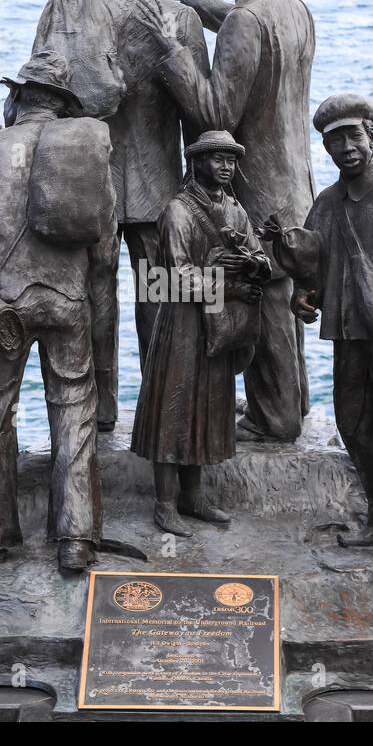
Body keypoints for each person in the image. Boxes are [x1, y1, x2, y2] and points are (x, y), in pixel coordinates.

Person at [136, 0, 314, 443]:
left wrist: (170, 51)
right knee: (283, 300)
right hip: (296, 183)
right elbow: (245, 23)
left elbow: (216, 114)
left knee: (265, 301)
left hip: (258, 190)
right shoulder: (292, 7)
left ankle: (275, 417)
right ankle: (293, 402)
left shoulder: (245, 21)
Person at [33, 0, 210, 430]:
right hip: (159, 184)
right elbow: (202, 115)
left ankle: (98, 407)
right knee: (161, 291)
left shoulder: (67, 9)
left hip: (88, 183)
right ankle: (160, 411)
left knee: (93, 291)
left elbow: (37, 107)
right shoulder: (180, 18)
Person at [261, 95, 373, 572]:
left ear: (371, 134)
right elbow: (316, 263)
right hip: (350, 331)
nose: (345, 148)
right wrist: (303, 291)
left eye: (352, 136)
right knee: (356, 424)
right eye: (333, 141)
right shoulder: (329, 201)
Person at [0, 52, 112, 572]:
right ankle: (76, 538)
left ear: (17, 96)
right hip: (68, 301)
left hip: (5, 307)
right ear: (62, 106)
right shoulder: (85, 154)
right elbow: (105, 247)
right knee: (74, 412)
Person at [131, 131, 269, 536]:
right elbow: (175, 278)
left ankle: (194, 496)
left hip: (218, 325)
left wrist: (258, 265)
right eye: (217, 159)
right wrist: (231, 284)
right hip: (183, 326)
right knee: (173, 408)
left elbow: (256, 253)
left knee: (207, 407)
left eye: (230, 159)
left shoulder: (235, 209)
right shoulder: (178, 212)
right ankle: (164, 504)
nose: (226, 166)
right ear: (198, 162)